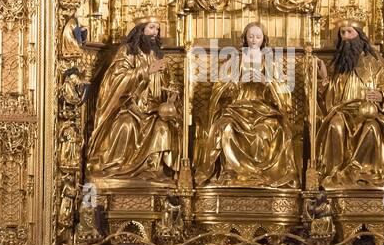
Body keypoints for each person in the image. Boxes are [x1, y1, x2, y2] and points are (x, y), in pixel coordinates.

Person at [193, 22, 298, 188]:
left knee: (269, 130)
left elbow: (284, 91)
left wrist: (267, 82)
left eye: (258, 36)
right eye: (251, 36)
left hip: (263, 109)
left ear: (264, 39)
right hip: (238, 107)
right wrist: (237, 82)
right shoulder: (235, 61)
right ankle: (232, 174)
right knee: (225, 126)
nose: (254, 40)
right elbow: (220, 88)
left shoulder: (270, 63)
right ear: (245, 38)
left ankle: (262, 176)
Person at [85, 18, 180, 186]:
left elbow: (167, 83)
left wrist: (171, 97)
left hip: (153, 110)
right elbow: (117, 81)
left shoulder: (157, 56)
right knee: (125, 126)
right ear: (140, 30)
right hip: (127, 107)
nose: (155, 33)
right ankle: (118, 168)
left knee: (162, 128)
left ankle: (152, 170)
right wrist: (146, 71)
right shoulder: (126, 52)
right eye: (151, 28)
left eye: (157, 29)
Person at [315, 21, 384, 189]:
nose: (345, 37)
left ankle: (360, 172)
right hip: (343, 111)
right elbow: (330, 97)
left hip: (368, 113)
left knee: (371, 128)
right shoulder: (339, 66)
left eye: (349, 32)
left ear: (360, 35)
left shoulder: (375, 63)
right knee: (334, 125)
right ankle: (336, 174)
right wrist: (324, 78)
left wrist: (382, 95)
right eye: (342, 33)